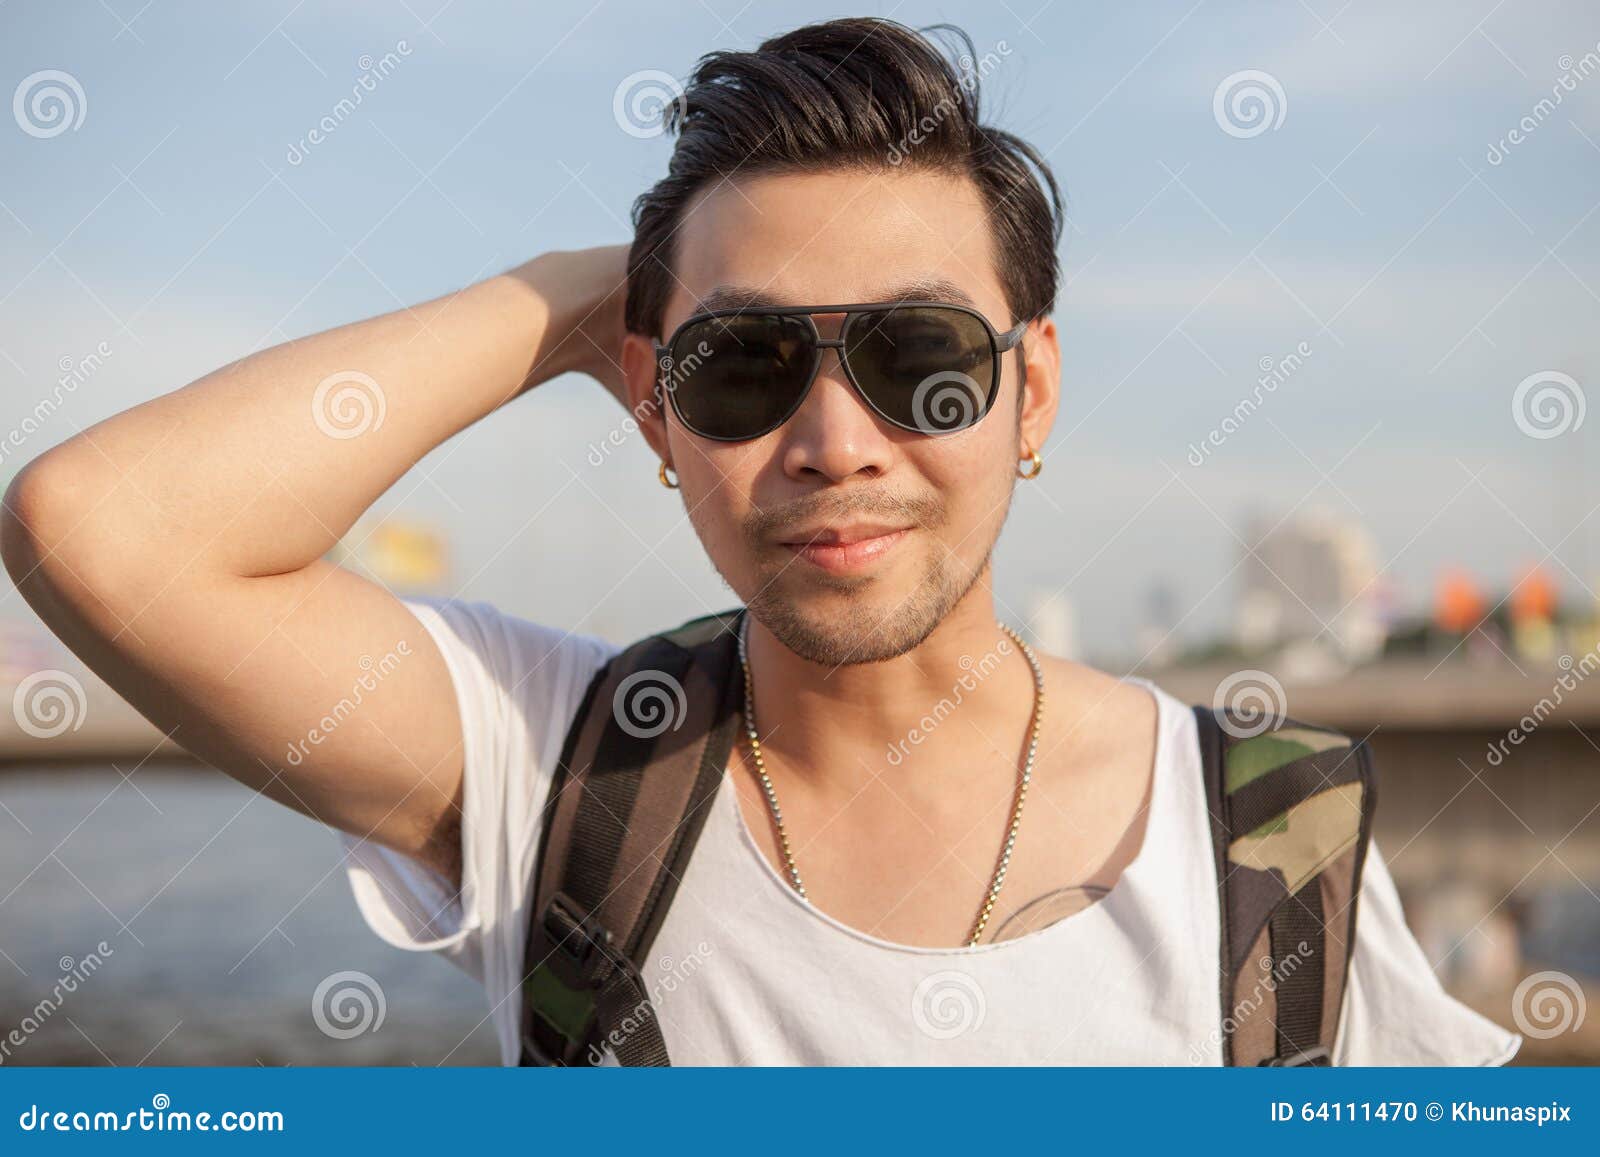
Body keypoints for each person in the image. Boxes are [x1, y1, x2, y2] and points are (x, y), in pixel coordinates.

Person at [0, 16, 1519, 1066]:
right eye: (743, 366)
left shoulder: (1268, 839)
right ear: (655, 411)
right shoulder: (563, 771)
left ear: (1032, 391)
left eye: (920, 355)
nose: (835, 438)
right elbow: (98, 529)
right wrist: (587, 297)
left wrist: (704, 302)